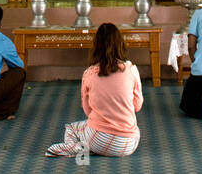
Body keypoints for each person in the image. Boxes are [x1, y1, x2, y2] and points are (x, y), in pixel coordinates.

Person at [45, 22, 143, 157]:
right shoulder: (131, 70)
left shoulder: (89, 73)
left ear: (96, 45)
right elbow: (137, 106)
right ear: (120, 43)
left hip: (96, 139)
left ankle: (81, 148)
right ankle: (95, 147)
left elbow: (87, 110)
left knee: (72, 128)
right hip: (127, 144)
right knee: (135, 128)